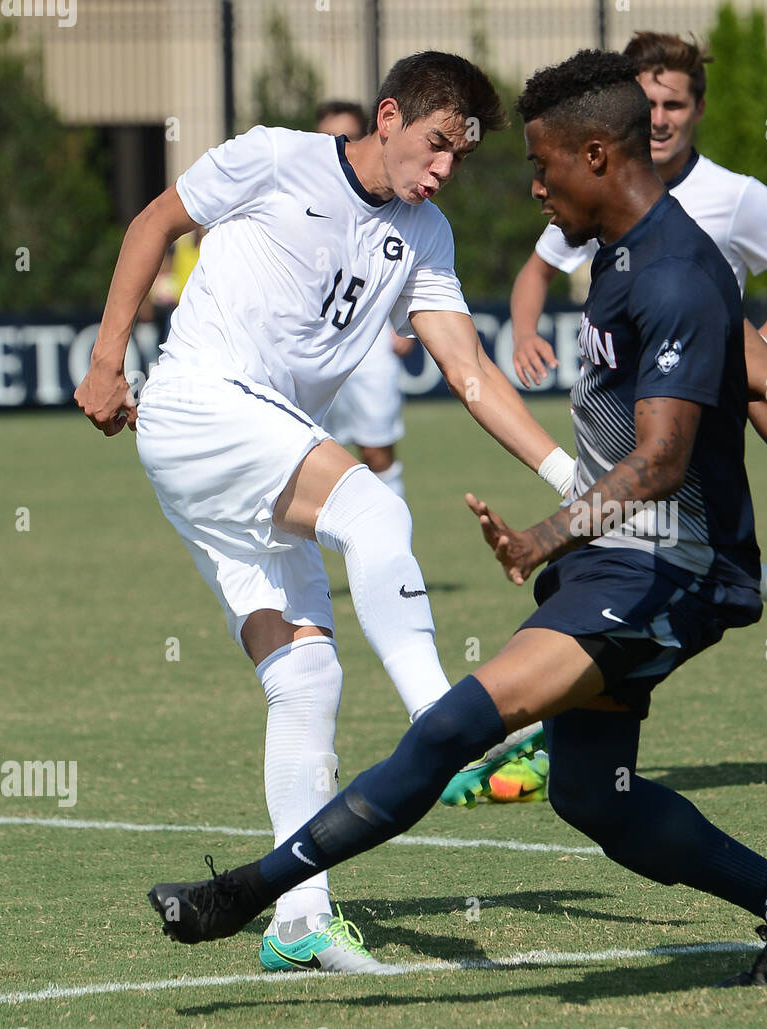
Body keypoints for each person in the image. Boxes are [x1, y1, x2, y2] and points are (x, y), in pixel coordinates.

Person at [146, 50, 767, 987]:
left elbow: (662, 460)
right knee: (591, 796)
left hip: (664, 570)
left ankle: (243, 894)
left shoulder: (679, 271)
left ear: (598, 156)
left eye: (544, 164)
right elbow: (764, 374)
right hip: (622, 561)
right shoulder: (626, 251)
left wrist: (542, 537)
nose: (531, 186)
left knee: (453, 730)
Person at [76, 52, 575, 974]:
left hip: (252, 449)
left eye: (458, 159)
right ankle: (450, 723)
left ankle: (298, 919)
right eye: (434, 145)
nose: (440, 172)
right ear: (387, 116)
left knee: (306, 680)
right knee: (375, 516)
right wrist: (109, 360)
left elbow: (470, 374)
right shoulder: (275, 157)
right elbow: (156, 220)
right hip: (200, 404)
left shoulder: (425, 236)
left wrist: (571, 479)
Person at [510, 32, 767, 671]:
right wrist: (524, 333)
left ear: (699, 111)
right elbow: (535, 271)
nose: (660, 118)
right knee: (610, 570)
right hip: (624, 412)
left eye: (675, 105)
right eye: (649, 102)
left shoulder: (737, 198)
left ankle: (531, 745)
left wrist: (743, 353)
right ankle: (561, 749)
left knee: (658, 562)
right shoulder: (598, 188)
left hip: (684, 417)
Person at [314, 100, 417, 499]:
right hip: (310, 342)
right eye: (327, 138)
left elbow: (403, 261)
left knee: (376, 450)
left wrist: (405, 326)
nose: (337, 146)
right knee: (311, 455)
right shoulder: (299, 191)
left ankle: (392, 539)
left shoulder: (394, 201)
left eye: (347, 136)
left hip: (370, 342)